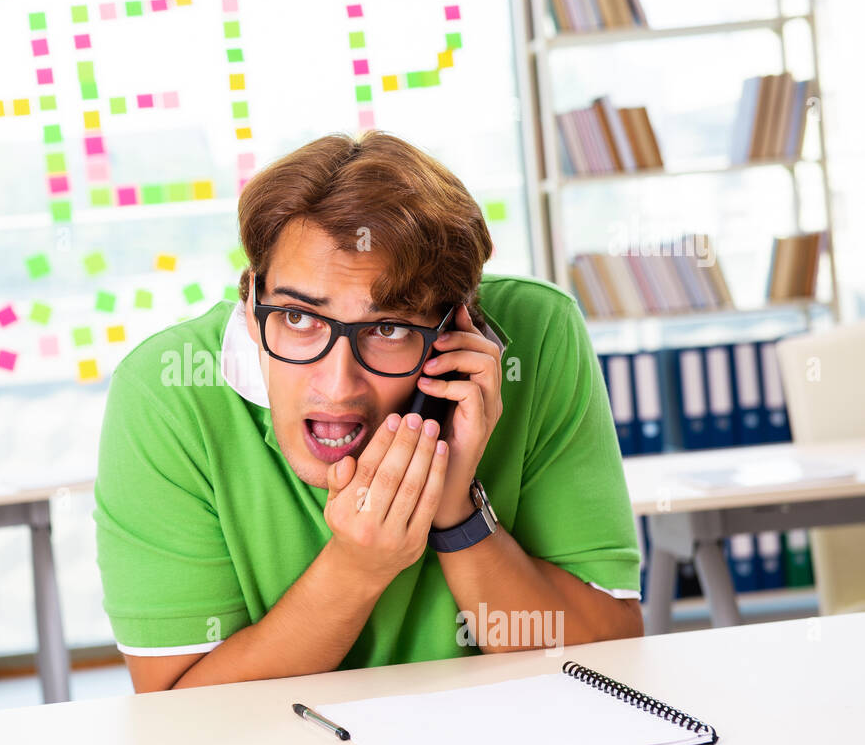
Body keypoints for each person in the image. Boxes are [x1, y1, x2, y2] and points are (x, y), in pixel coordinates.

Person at [93, 130, 642, 693]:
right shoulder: (166, 390)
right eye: (299, 319)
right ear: (253, 305)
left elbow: (610, 654)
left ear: (458, 331)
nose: (336, 386)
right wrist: (358, 566)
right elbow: (176, 712)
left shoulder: (538, 333)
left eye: (388, 328)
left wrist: (457, 514)